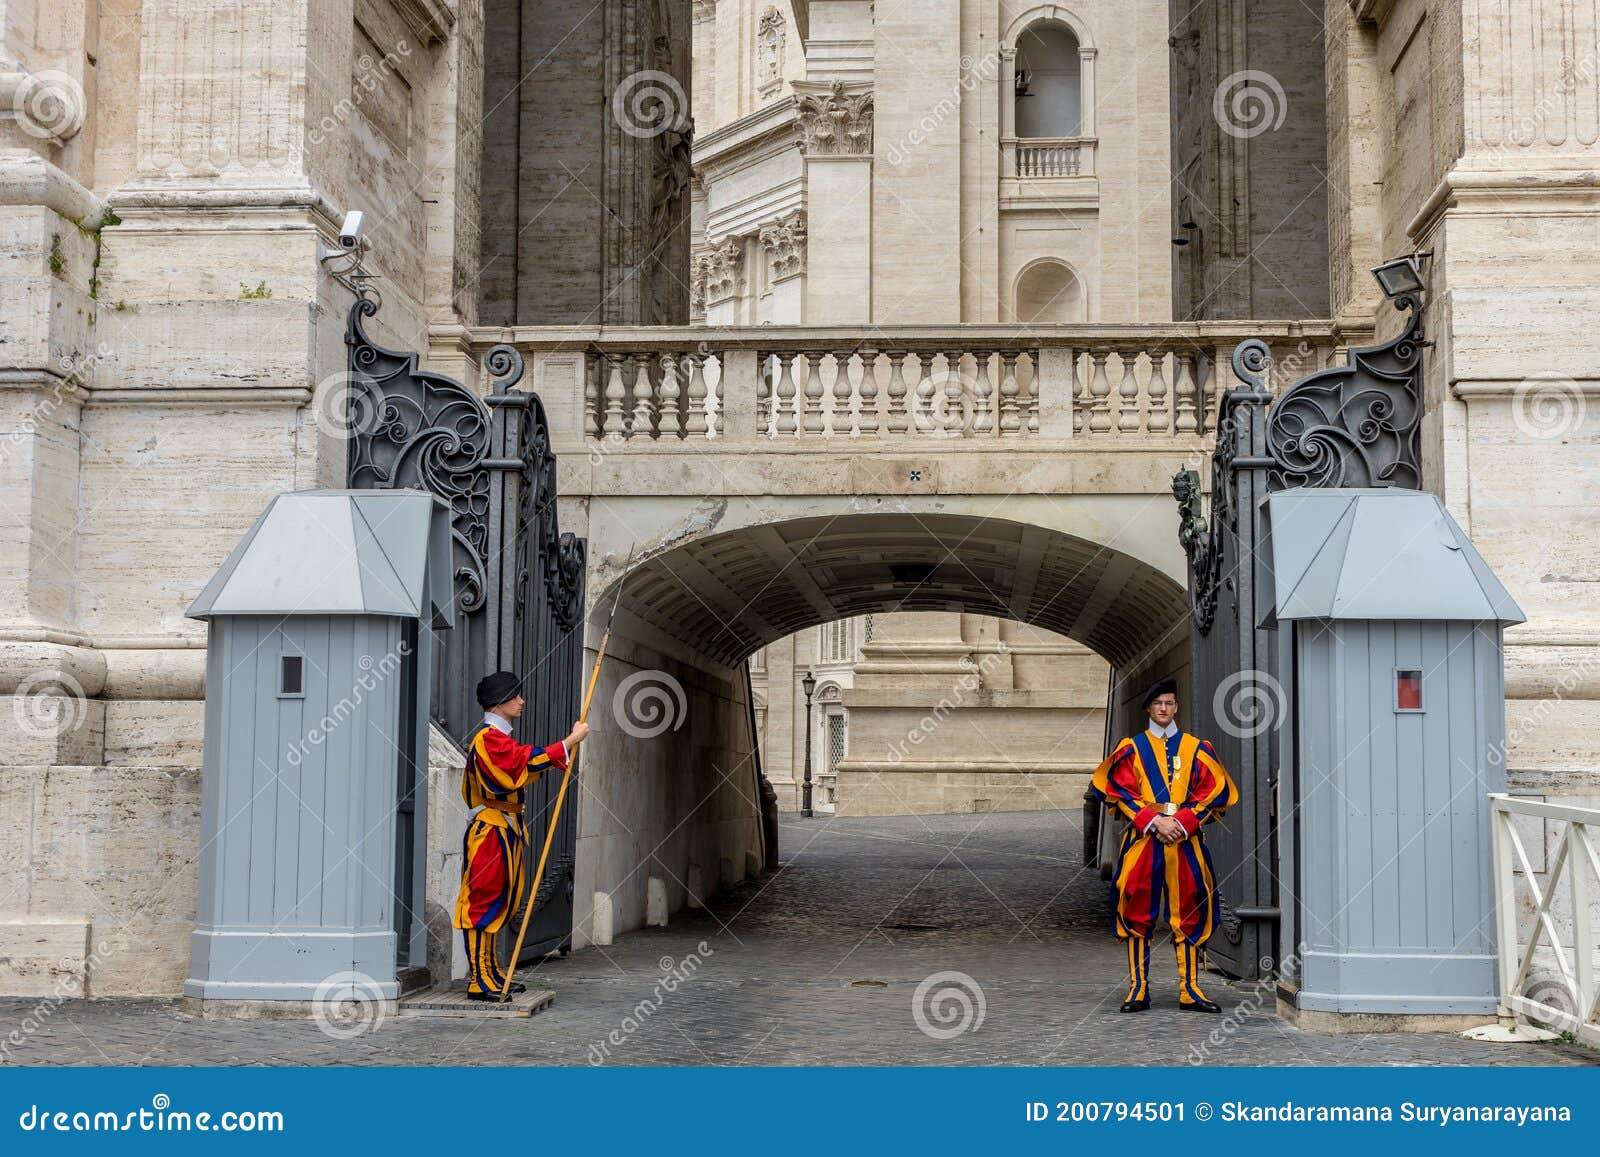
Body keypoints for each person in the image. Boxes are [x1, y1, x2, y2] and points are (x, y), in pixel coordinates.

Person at [1090, 676, 1238, 1014]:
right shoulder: (1131, 747)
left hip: (1184, 839)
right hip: (1144, 839)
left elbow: (1212, 791)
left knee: (1190, 906)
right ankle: (1138, 988)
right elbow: (1118, 791)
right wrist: (1155, 822)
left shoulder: (1197, 747)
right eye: (1158, 704)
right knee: (1136, 904)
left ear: (1176, 707)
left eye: (1169, 703)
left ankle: (1190, 989)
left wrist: (1182, 823)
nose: (1163, 708)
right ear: (1148, 708)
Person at [453, 670, 589, 1001]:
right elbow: (518, 766)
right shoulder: (488, 739)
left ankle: (490, 970)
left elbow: (521, 766)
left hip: (506, 828)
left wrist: (561, 750)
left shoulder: (501, 739)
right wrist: (568, 742)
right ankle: (479, 978)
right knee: (483, 900)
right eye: (515, 696)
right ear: (499, 703)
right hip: (491, 831)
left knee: (502, 898)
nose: (521, 701)